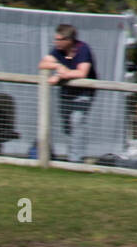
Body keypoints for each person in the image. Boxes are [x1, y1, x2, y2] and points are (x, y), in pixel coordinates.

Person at [38, 23, 96, 163]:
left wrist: (62, 75)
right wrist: (58, 66)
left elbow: (82, 72)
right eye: (55, 39)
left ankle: (75, 160)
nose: (56, 42)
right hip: (67, 91)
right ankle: (73, 155)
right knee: (68, 126)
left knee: (77, 121)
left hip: (83, 92)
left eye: (59, 39)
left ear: (69, 40)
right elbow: (42, 64)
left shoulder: (83, 49)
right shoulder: (59, 50)